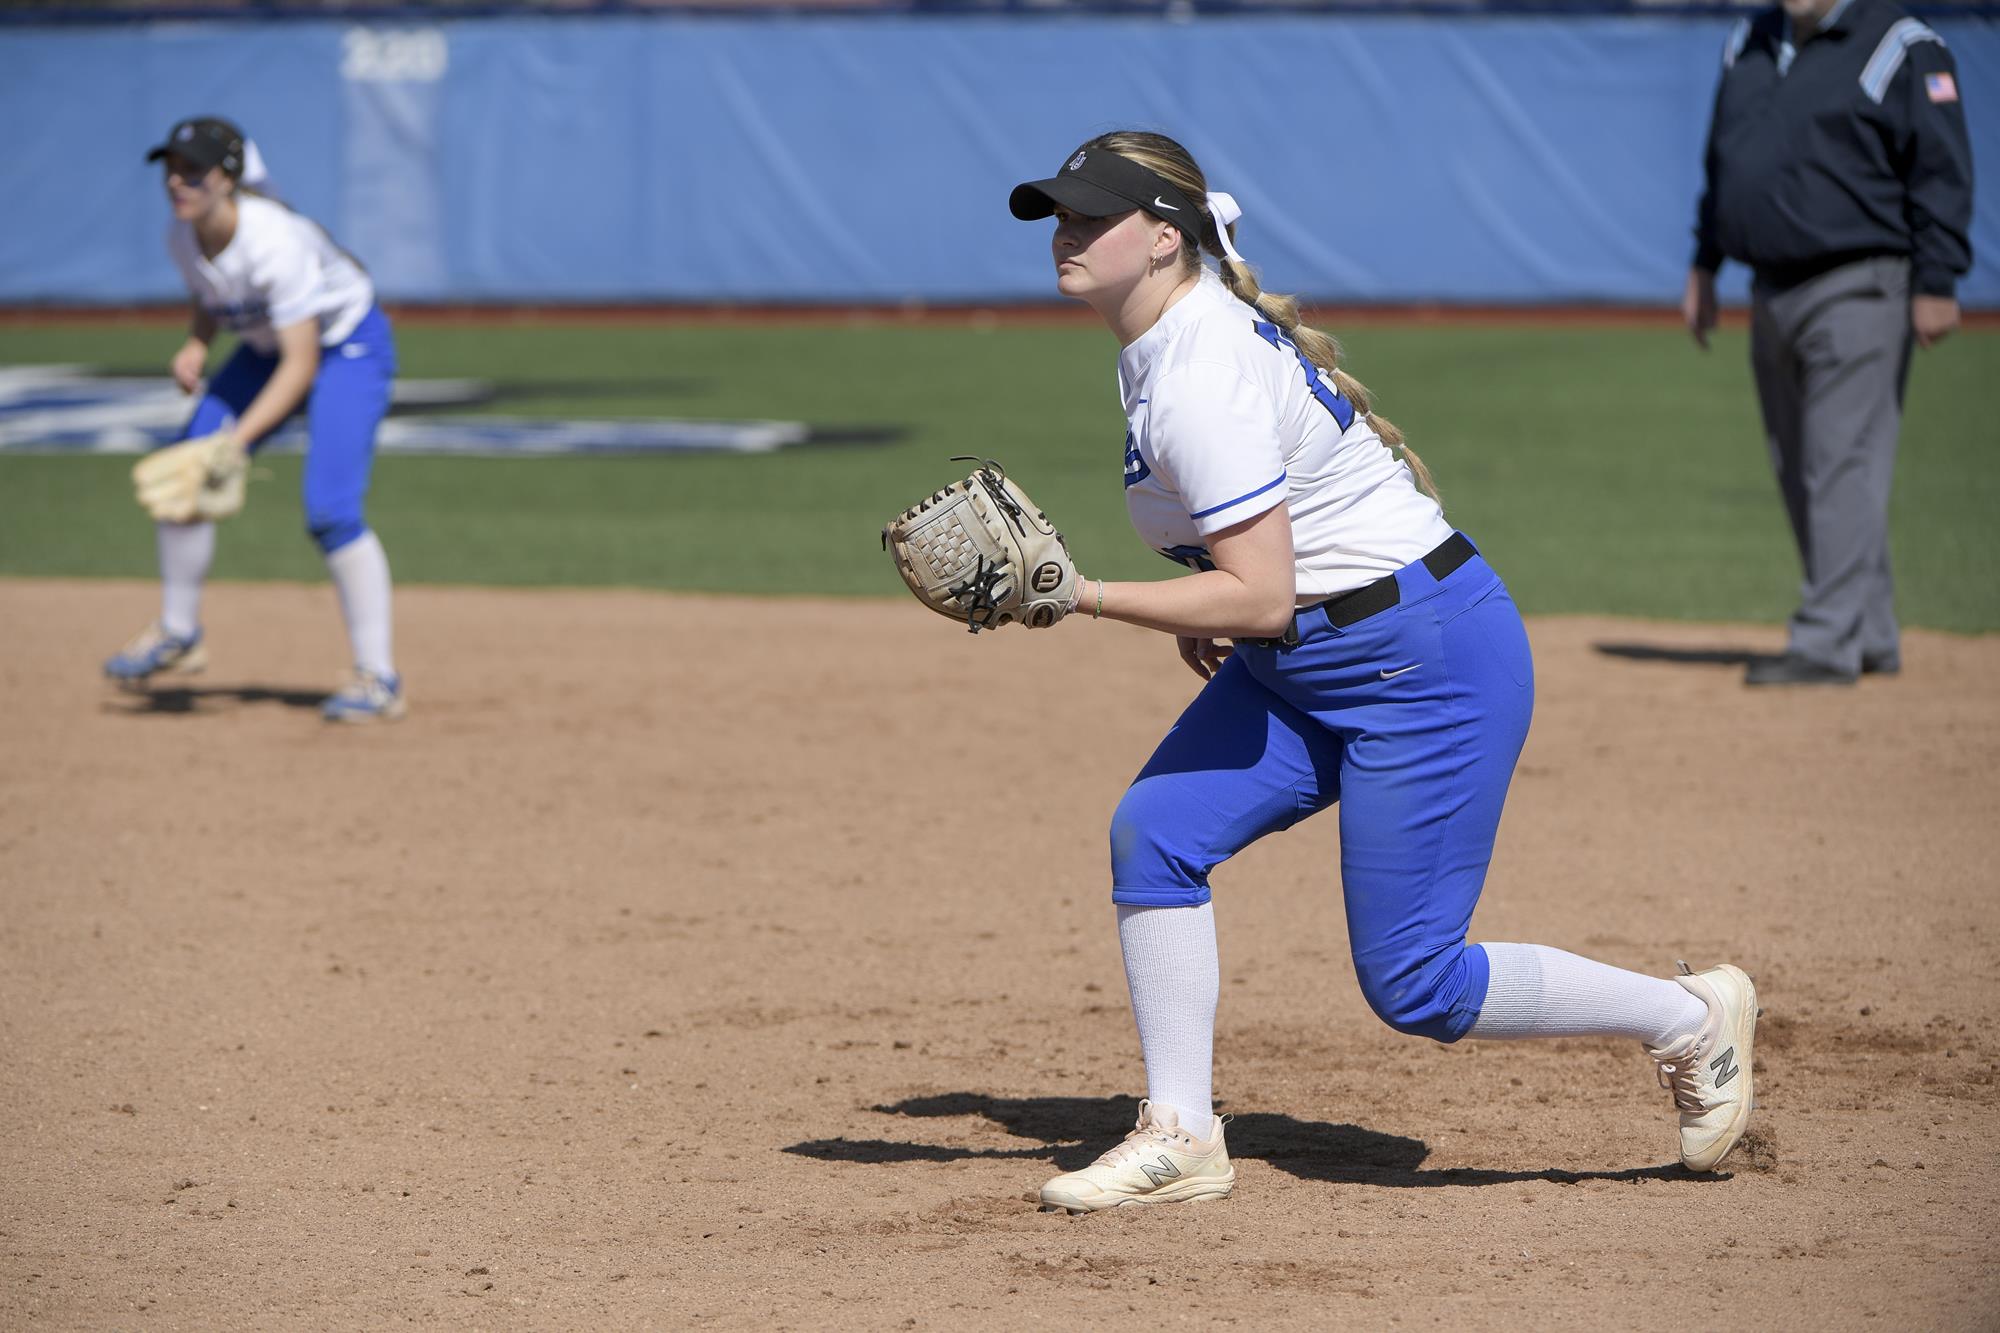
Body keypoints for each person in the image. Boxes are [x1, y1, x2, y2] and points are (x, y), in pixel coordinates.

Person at [1008, 131, 1759, 1213]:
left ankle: (1689, 1017)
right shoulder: (1167, 341)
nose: (1064, 233)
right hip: (1307, 655)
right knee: (1155, 833)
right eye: (1057, 214)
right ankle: (1180, 1132)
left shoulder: (1197, 370)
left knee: (1415, 980)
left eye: (1090, 215)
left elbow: (1260, 593)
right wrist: (1196, 599)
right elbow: (1261, 573)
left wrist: (1078, 594)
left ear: (1163, 240)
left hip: (1423, 665)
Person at [1684, 0, 1973, 687]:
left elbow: (1941, 166)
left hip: (1860, 282)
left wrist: (1938, 278)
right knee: (1800, 464)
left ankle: (1825, 639)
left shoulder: (1901, 44)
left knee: (1840, 461)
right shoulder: (1748, 40)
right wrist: (1705, 262)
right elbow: (1725, 160)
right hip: (1770, 286)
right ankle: (1867, 628)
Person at [103, 116, 405, 723]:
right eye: (172, 169)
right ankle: (178, 631)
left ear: (228, 177)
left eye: (194, 171)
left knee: (331, 510)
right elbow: (214, 296)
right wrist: (196, 344)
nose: (178, 183)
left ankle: (379, 678)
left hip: (345, 347)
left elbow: (300, 366)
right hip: (271, 347)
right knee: (187, 465)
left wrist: (236, 443)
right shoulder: (181, 236)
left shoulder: (275, 241)